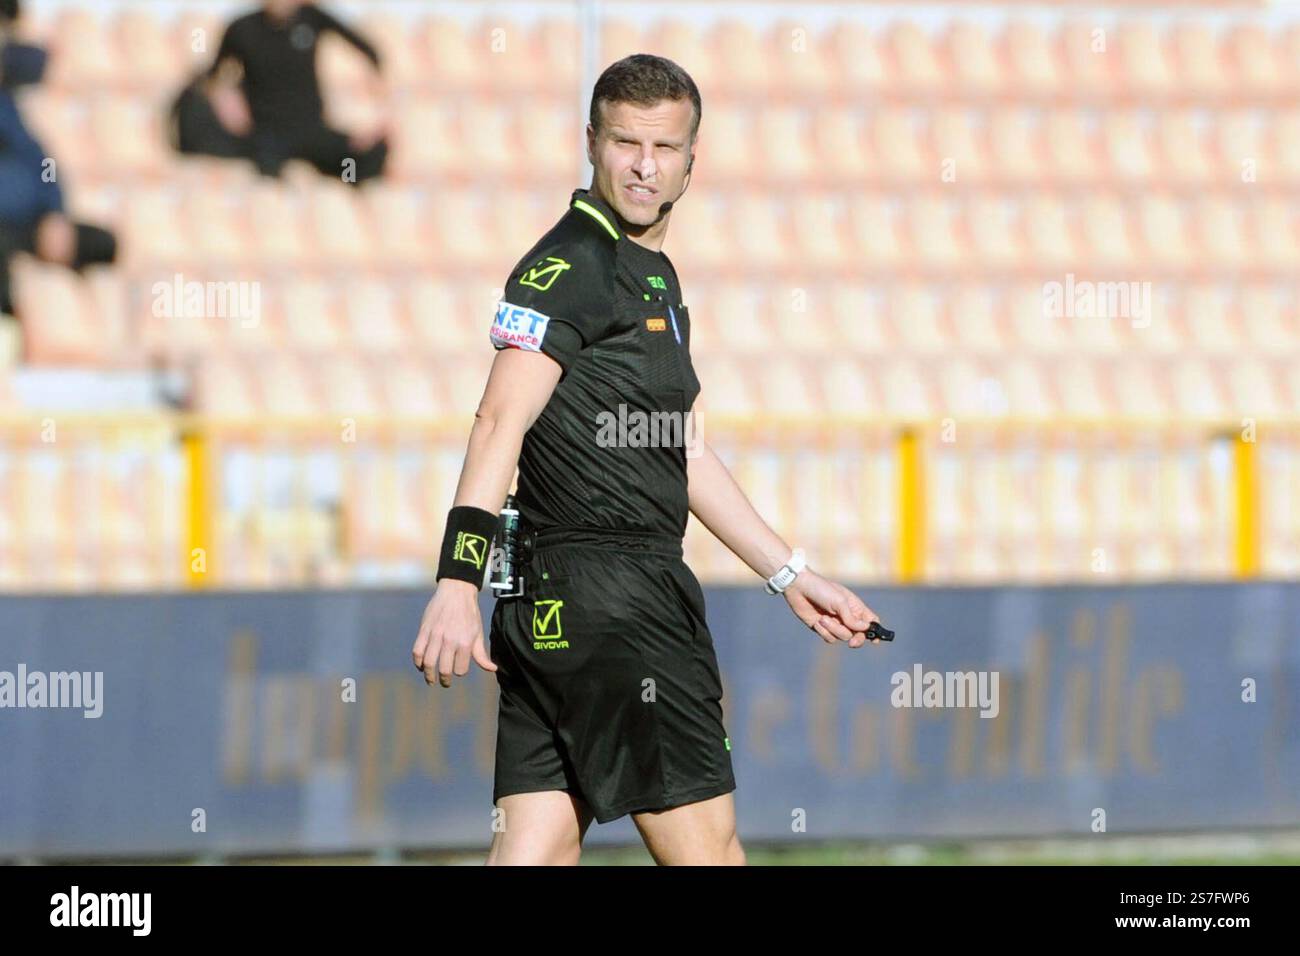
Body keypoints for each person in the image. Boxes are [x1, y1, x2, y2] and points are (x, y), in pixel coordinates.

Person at [411, 54, 888, 866]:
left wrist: (789, 574)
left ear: (691, 162)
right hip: (622, 604)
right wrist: (457, 580)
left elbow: (680, 450)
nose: (642, 164)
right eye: (625, 142)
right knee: (710, 853)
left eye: (663, 148)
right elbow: (498, 419)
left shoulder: (652, 278)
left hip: (549, 609)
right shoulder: (569, 268)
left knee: (534, 849)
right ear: (590, 143)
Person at [169, 0, 387, 184]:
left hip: (312, 131)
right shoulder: (242, 29)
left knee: (357, 165)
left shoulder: (311, 19)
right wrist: (223, 98)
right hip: (267, 136)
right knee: (266, 180)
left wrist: (375, 110)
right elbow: (213, 76)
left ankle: (349, 206)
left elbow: (369, 51)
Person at [0, 0, 116, 316]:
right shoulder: (48, 186)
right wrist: (56, 207)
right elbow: (39, 154)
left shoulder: (13, 244)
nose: (58, 244)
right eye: (68, 239)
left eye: (66, 254)